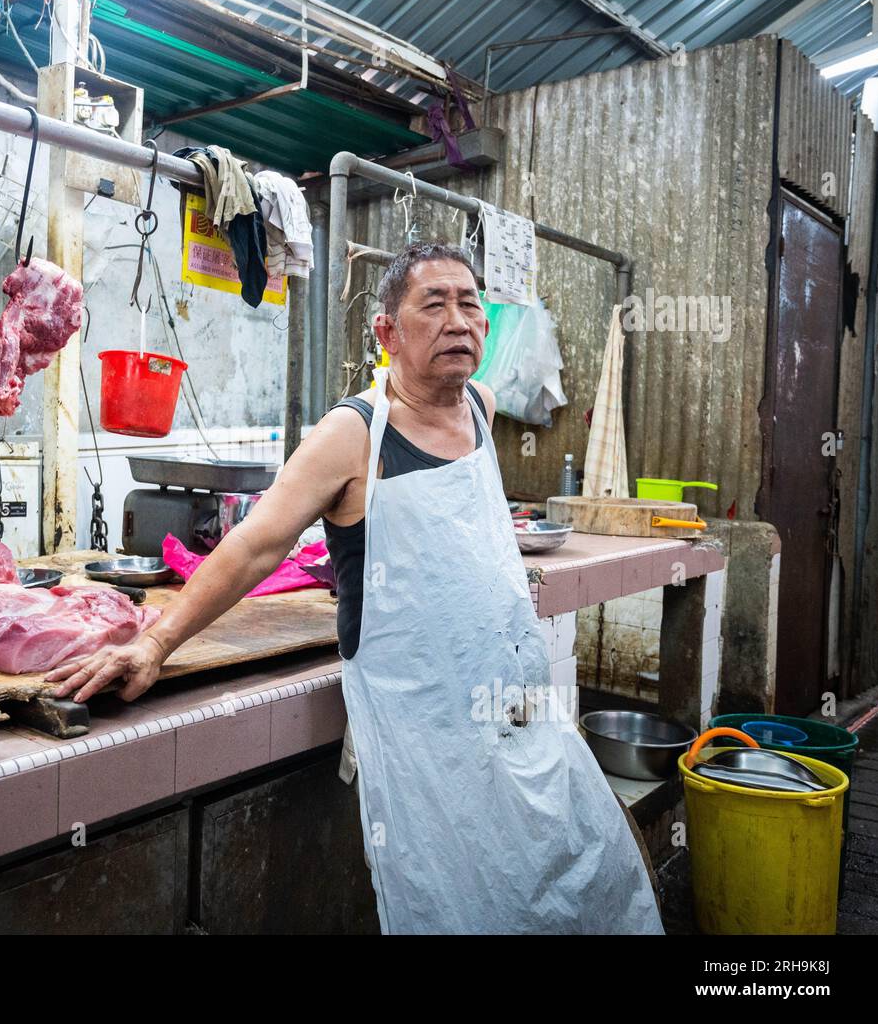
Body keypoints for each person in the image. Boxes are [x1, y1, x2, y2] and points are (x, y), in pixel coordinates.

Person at [47, 241, 663, 934]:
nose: (460, 320)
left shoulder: (483, 410)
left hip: (519, 711)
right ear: (387, 333)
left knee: (590, 882)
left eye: (471, 305)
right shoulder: (354, 434)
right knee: (464, 905)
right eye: (435, 305)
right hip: (425, 744)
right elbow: (256, 545)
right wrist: (155, 643)